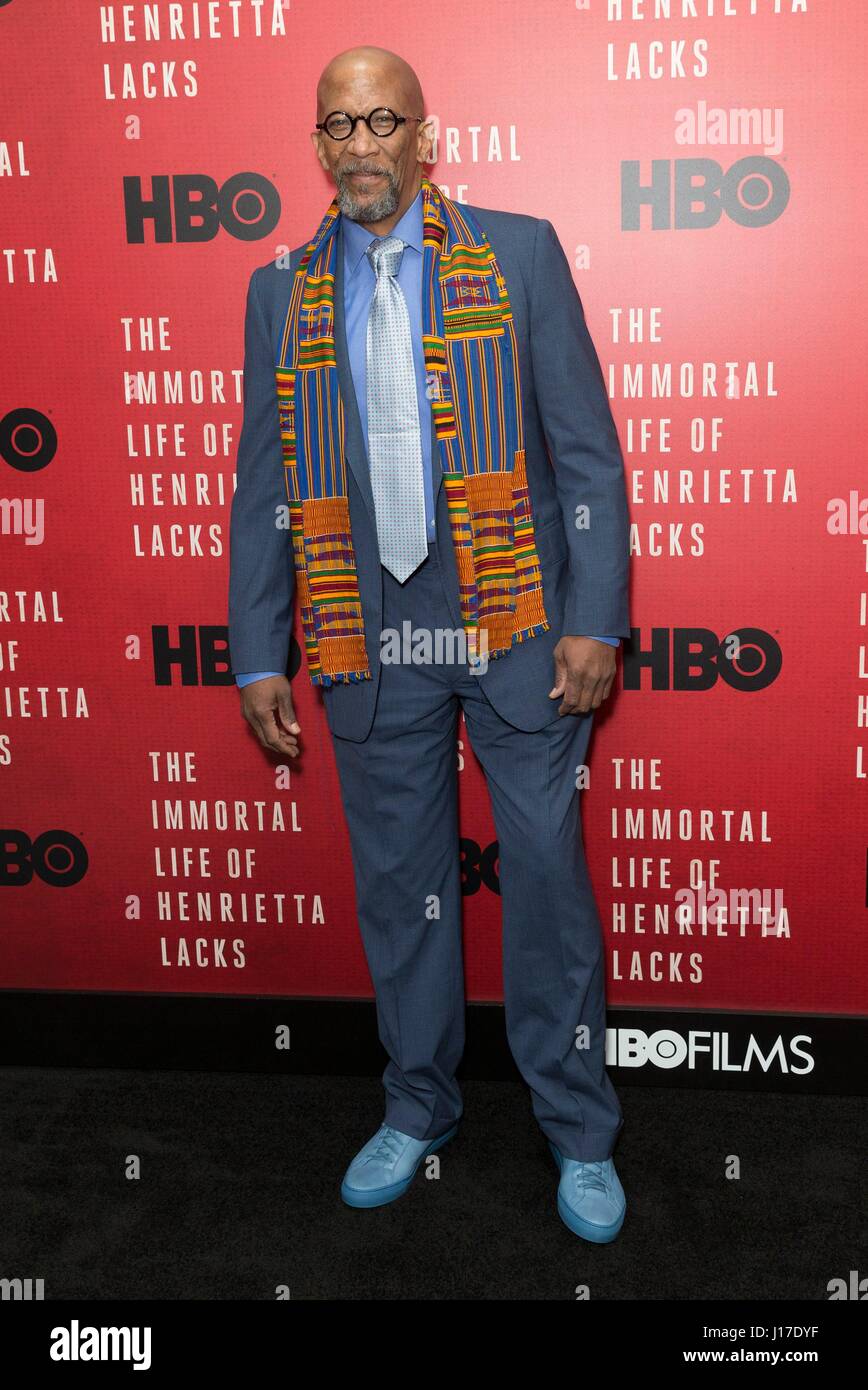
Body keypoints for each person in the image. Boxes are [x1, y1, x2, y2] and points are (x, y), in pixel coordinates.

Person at [227, 44, 631, 1244]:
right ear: (316, 146)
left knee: (548, 885)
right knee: (401, 891)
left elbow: (588, 451)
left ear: (425, 136)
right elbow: (263, 487)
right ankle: (417, 1105)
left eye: (382, 122)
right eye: (339, 127)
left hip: (512, 621)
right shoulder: (280, 290)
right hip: (369, 627)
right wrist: (259, 649)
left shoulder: (517, 252)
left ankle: (578, 1129)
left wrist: (592, 615)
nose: (361, 146)